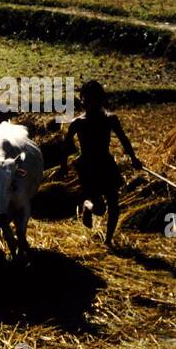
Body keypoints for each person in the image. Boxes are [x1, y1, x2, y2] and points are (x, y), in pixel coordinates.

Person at [59, 80, 143, 247]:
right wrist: (63, 166)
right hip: (88, 167)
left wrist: (134, 158)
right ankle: (87, 206)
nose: (91, 104)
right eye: (87, 100)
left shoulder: (110, 119)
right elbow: (66, 145)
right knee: (99, 208)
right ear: (83, 101)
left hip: (106, 163)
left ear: (101, 100)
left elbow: (124, 139)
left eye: (95, 100)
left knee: (114, 204)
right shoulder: (78, 123)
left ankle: (108, 240)